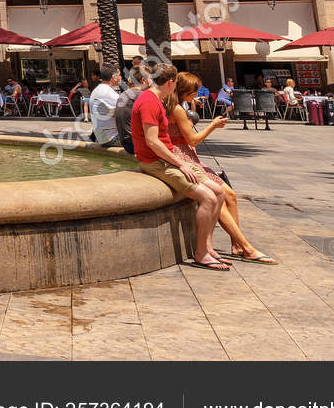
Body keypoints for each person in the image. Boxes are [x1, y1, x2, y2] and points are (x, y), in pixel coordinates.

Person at [170, 72, 276, 264]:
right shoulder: (176, 108)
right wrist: (213, 125)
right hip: (183, 158)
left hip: (189, 155)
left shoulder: (182, 106)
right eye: (194, 91)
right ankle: (246, 247)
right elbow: (192, 139)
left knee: (231, 195)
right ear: (184, 90)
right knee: (218, 195)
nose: (196, 94)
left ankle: (236, 245)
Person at [131, 66, 229, 270]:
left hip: (166, 158)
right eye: (175, 82)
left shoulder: (155, 100)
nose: (176, 86)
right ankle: (200, 253)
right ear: (170, 83)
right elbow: (152, 142)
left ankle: (207, 246)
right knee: (208, 198)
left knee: (219, 193)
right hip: (155, 162)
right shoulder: (149, 102)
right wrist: (181, 163)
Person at [89, 68, 123, 148]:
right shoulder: (107, 92)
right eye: (119, 75)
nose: (121, 77)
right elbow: (126, 113)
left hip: (103, 137)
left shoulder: (99, 89)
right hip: (112, 138)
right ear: (113, 77)